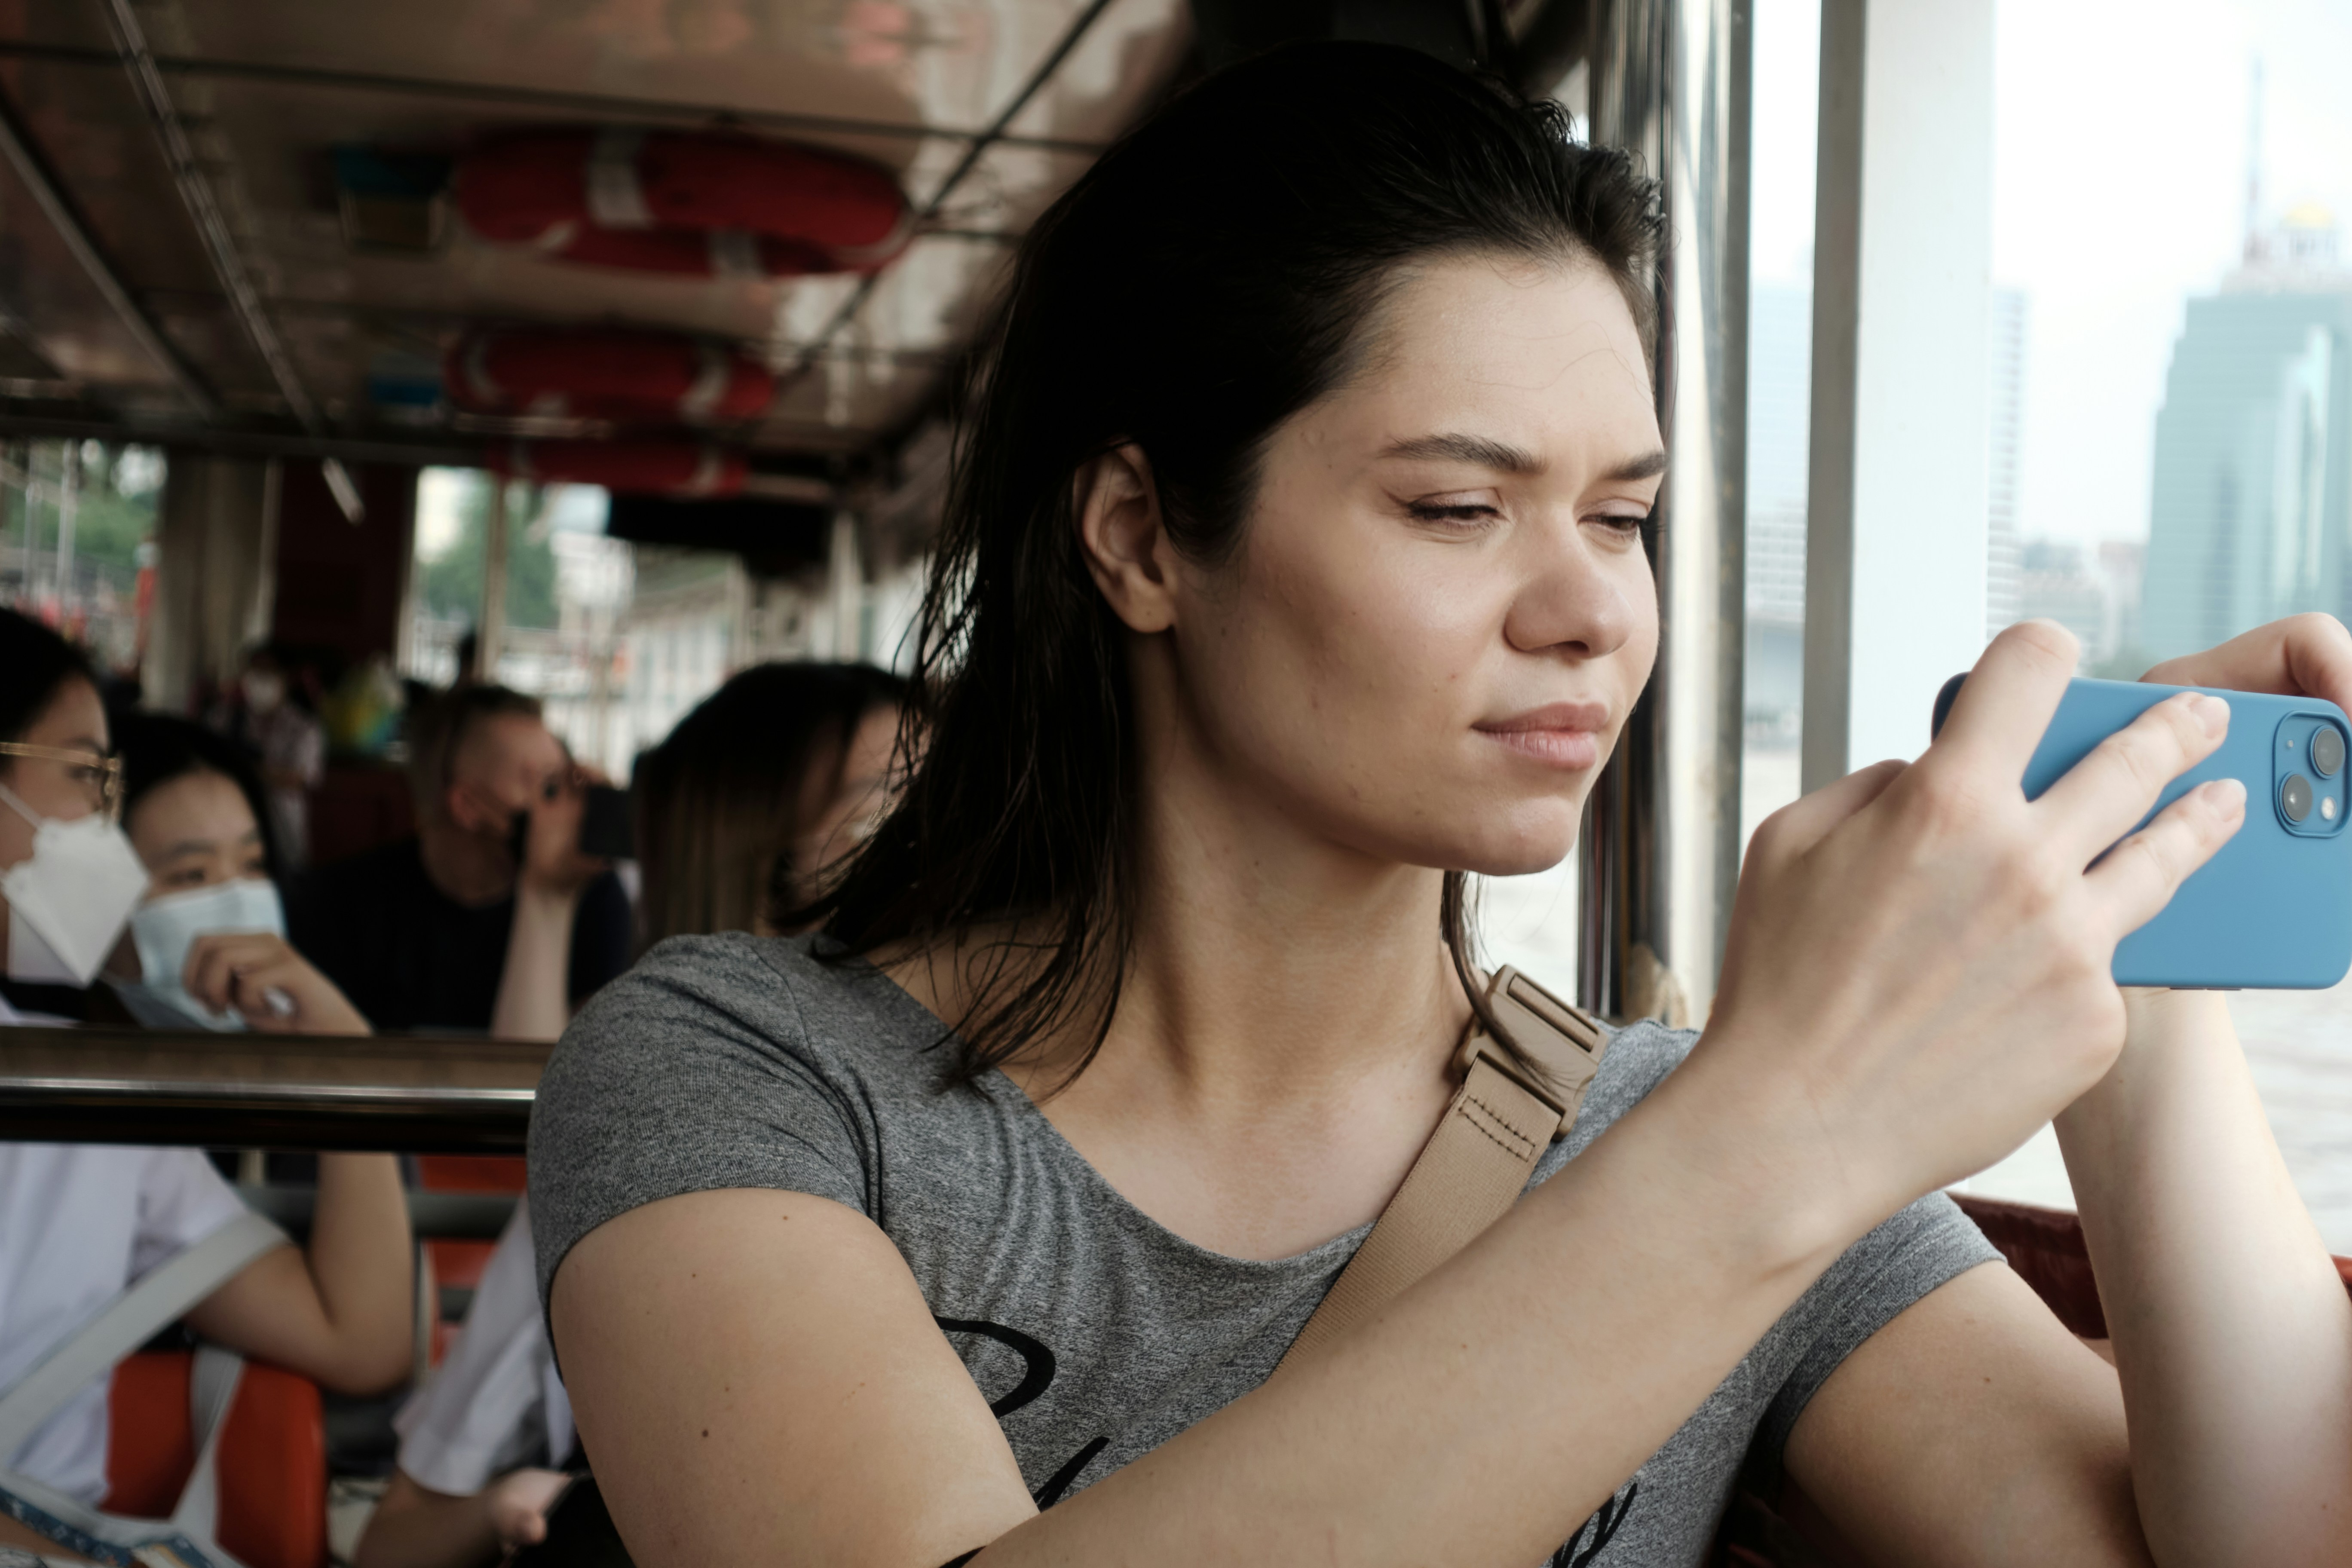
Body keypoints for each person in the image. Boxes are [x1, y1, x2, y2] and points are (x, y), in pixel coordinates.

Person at [527, 44, 2352, 1568]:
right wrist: (1785, 1124)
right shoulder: (741, 1077)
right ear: (1143, 536)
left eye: (1621, 518)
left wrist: (2133, 954)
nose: (1585, 608)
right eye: (1455, 508)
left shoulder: (1678, 1131)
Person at [352, 663, 910, 1568]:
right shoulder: (631, 1162)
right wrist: (516, 1505)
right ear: (751, 866)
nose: (964, 833)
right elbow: (567, 1099)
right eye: (891, 803)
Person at [0, 608, 413, 1559]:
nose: (102, 831)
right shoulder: (81, 1084)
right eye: (83, 777)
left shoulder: (106, 1107)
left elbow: (359, 1337)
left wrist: (341, 1045)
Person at [287, 684, 628, 1037]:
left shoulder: (592, 896)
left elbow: (564, 1076)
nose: (569, 812)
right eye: (550, 789)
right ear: (468, 806)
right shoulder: (341, 904)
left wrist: (549, 896)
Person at [106, 711, 367, 1036]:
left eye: (254, 864)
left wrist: (341, 1044)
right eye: (194, 875)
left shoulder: (304, 1023)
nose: (240, 900)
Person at [209, 644, 327, 871]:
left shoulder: (304, 728)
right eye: (254, 671)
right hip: (230, 823)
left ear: (285, 677)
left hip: (283, 830)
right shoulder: (226, 717)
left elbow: (298, 777)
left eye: (268, 672)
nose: (259, 679)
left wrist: (244, 768)